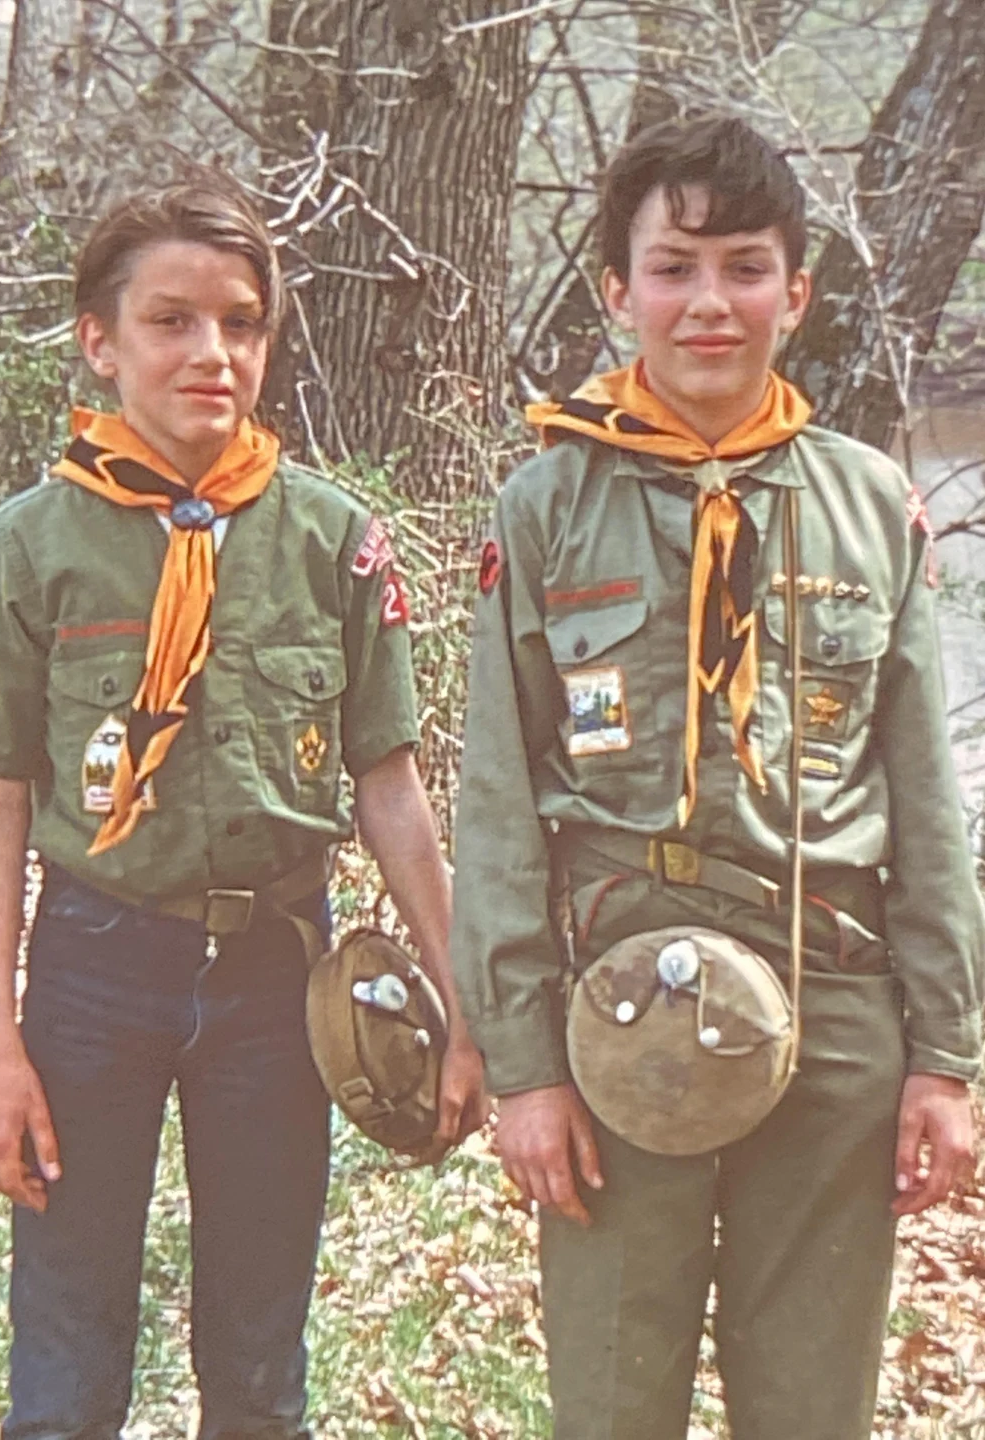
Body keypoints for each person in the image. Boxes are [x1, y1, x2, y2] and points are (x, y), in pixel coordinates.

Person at [451, 116, 983, 1439]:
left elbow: (926, 798)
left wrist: (945, 1056)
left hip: (836, 999)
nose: (710, 304)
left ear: (796, 293)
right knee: (612, 1399)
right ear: (616, 289)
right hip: (618, 1011)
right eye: (674, 268)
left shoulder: (870, 506)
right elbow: (499, 804)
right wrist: (523, 1067)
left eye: (746, 268)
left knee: (810, 1406)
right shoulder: (547, 506)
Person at [0, 180, 485, 1440]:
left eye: (241, 323)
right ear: (99, 340)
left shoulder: (331, 539)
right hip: (96, 965)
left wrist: (465, 1006)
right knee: (68, 1362)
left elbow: (390, 788)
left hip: (280, 979)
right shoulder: (34, 546)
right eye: (170, 321)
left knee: (258, 1358)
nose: (212, 354)